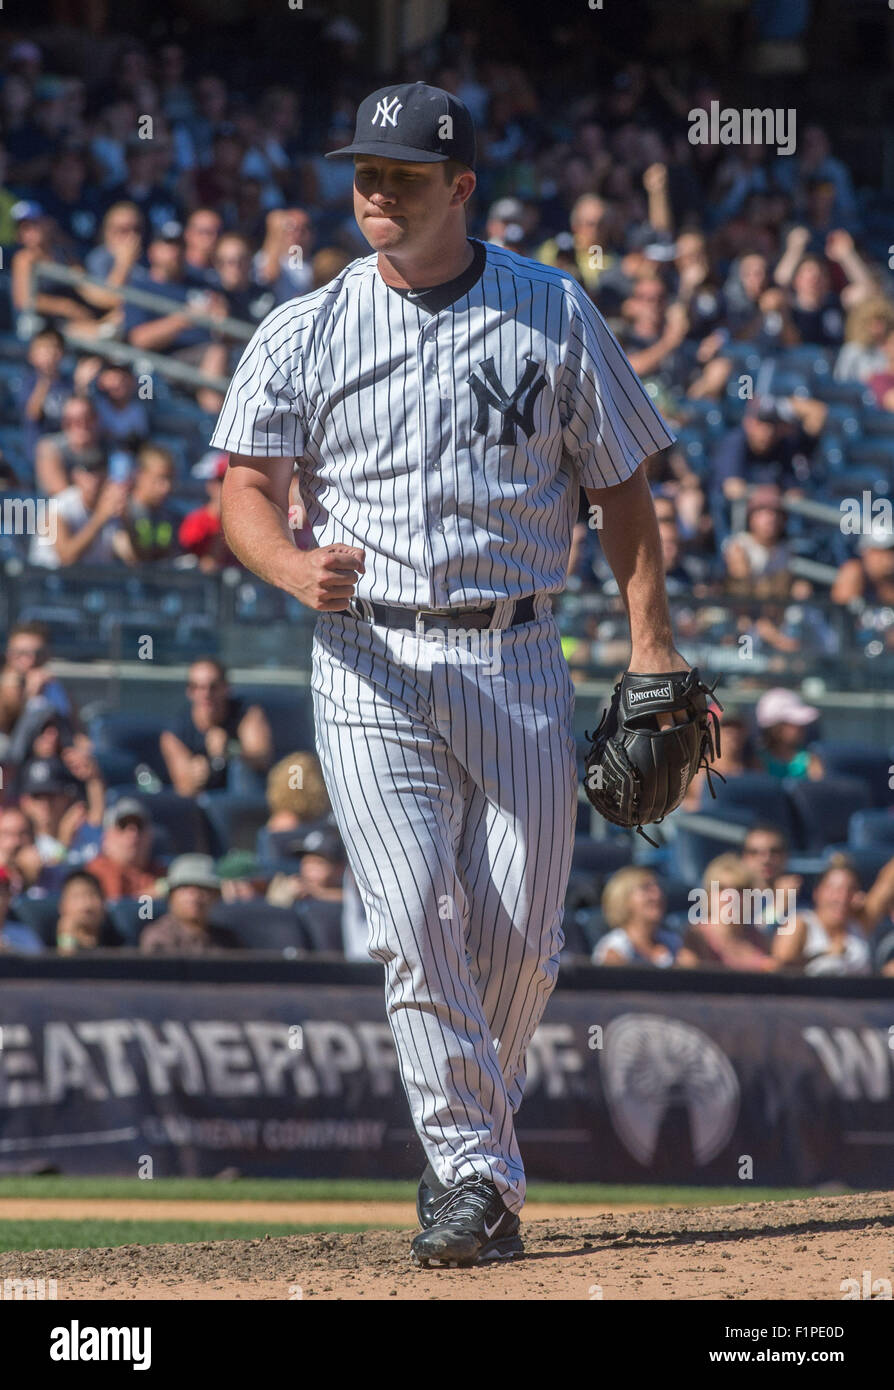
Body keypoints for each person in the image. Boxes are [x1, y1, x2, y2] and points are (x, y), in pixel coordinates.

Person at [213, 82, 680, 1269]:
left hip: (520, 646)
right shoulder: (305, 326)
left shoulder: (555, 310)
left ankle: (467, 1140)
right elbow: (243, 493)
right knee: (417, 915)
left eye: (403, 174)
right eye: (364, 170)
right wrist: (288, 565)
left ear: (461, 186)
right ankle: (474, 1174)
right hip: (368, 654)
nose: (376, 188)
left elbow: (621, 481)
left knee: (522, 933)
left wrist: (653, 641)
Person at [160, 657, 273, 796]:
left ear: (226, 688)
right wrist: (195, 776)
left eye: (213, 687)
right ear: (189, 692)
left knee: (240, 770)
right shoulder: (174, 734)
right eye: (197, 687)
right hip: (203, 804)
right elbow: (183, 788)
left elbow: (262, 758)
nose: (206, 694)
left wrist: (232, 750)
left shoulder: (247, 713)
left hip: (245, 798)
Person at [678, 854, 775, 971]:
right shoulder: (695, 938)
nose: (730, 896)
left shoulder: (760, 940)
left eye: (739, 889)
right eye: (721, 888)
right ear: (708, 896)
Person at [28, 453, 127, 569]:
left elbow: (131, 556)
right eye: (88, 474)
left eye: (99, 473)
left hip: (92, 581)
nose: (94, 480)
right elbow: (66, 557)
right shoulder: (59, 506)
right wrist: (100, 518)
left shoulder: (111, 507)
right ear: (76, 476)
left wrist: (126, 518)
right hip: (47, 580)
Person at [773, 862, 871, 975]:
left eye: (851, 890)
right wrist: (823, 954)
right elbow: (778, 967)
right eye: (835, 889)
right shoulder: (799, 923)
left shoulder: (861, 922)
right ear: (817, 892)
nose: (843, 897)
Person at [139, 853, 238, 953]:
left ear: (215, 896)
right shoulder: (159, 937)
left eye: (203, 889)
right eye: (185, 888)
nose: (195, 896)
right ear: (171, 895)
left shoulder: (226, 939)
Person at [592, 868, 680, 967]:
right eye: (646, 888)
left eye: (658, 887)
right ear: (623, 899)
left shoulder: (673, 942)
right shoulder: (614, 949)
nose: (658, 895)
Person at [85, 799, 165, 901]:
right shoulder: (95, 874)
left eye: (139, 826)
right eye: (122, 825)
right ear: (105, 838)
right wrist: (147, 896)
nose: (133, 834)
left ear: (150, 836)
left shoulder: (161, 872)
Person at [113, 444, 180, 566]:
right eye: (161, 478)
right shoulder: (119, 511)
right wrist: (126, 522)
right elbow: (130, 559)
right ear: (140, 475)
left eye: (170, 479)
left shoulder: (169, 515)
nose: (167, 487)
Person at [754, 687, 822, 780]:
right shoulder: (755, 760)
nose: (801, 727)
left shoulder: (811, 759)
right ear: (775, 727)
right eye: (793, 723)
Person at [55, 869, 110, 954]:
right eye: (77, 896)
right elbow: (64, 964)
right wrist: (66, 937)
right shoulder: (45, 940)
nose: (86, 904)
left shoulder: (119, 937)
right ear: (62, 906)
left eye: (92, 895)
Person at [0, 865, 43, 954]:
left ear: (8, 897)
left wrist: (9, 951)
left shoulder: (24, 935)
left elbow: (39, 963)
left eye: (1, 891)